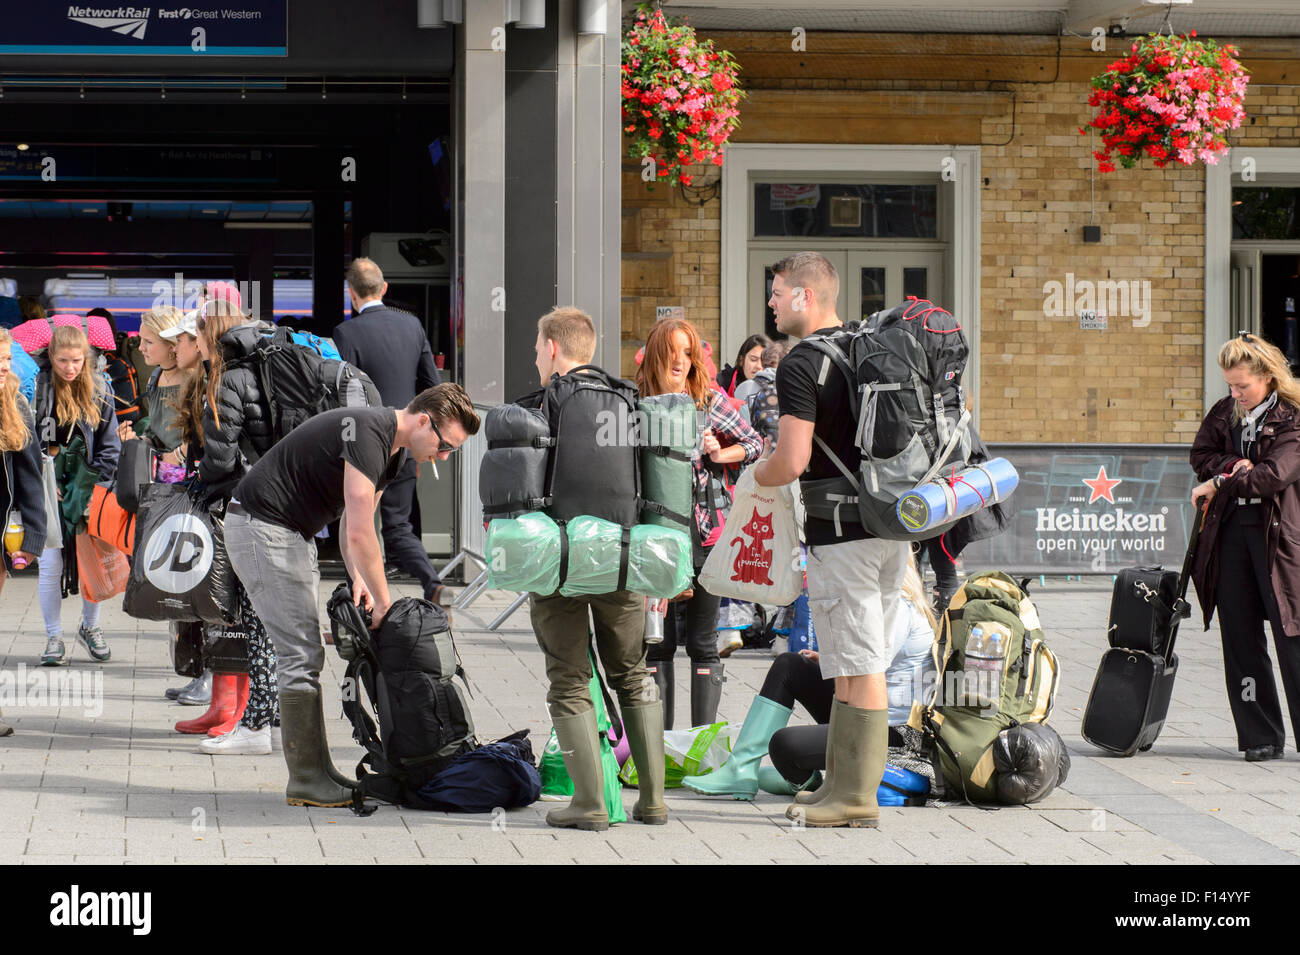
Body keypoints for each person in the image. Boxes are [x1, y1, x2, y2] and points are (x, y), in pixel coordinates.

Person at [224, 383, 477, 806]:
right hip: (262, 529)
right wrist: (383, 601)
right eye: (446, 444)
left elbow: (351, 526)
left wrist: (359, 577)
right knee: (300, 655)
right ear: (422, 420)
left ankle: (318, 772)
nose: (444, 456)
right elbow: (360, 531)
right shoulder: (369, 432)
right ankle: (305, 778)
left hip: (285, 533)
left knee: (305, 655)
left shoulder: (391, 452)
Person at [753, 251, 906, 829]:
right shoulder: (868, 350)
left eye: (777, 291)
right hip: (889, 527)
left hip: (841, 535)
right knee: (849, 663)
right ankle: (838, 786)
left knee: (860, 664)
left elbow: (791, 461)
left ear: (804, 296)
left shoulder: (800, 364)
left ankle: (858, 798)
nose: (771, 302)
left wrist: (756, 475)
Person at [525, 306, 667, 829]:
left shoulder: (543, 405)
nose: (535, 355)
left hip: (560, 557)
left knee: (568, 677)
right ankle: (652, 801)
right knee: (631, 673)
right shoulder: (628, 398)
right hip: (624, 553)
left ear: (555, 348)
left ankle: (588, 805)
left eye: (538, 345)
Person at [683, 557, 936, 797]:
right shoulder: (882, 601)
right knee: (790, 666)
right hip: (861, 709)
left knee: (783, 744)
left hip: (889, 731)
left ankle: (807, 783)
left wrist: (835, 658)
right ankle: (740, 769)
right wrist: (827, 657)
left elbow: (869, 665)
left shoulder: (898, 606)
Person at [638, 319, 763, 730]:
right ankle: (658, 747)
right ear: (658, 353)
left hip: (706, 537)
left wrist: (718, 454)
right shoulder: (636, 403)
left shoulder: (709, 401)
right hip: (654, 541)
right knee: (657, 644)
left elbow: (755, 444)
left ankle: (700, 744)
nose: (680, 360)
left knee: (703, 644)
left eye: (688, 352)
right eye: (673, 350)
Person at [1191, 332, 1300, 762]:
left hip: (1280, 540)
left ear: (1269, 378)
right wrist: (1232, 464)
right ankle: (1260, 735)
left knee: (1291, 636)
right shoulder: (1225, 412)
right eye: (1229, 385)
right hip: (1231, 533)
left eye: (1242, 386)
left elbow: (1272, 476)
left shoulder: (1293, 419)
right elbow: (1201, 453)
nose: (1235, 394)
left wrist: (1220, 481)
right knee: (1239, 634)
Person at [331, 258, 446, 606]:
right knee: (398, 525)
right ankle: (432, 582)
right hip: (408, 441)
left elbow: (345, 393)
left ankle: (362, 595)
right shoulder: (412, 327)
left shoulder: (346, 333)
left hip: (364, 444)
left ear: (351, 295)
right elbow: (433, 386)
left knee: (356, 523)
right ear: (384, 288)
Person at [32, 324, 121, 666]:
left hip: (90, 487)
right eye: (63, 361)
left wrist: (94, 490)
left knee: (90, 562)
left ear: (87, 359)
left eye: (77, 361)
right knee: (50, 564)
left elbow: (110, 447)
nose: (70, 368)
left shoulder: (99, 387)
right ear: (51, 357)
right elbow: (35, 441)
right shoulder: (40, 388)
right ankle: (54, 637)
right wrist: (45, 480)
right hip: (49, 486)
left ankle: (91, 628)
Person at [0, 328, 48, 735]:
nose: (3, 371)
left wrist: (32, 537)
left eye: (5, 364)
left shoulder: (15, 403)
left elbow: (30, 476)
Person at [716, 333, 770, 399]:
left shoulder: (777, 385)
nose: (759, 366)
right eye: (753, 359)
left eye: (764, 361)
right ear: (741, 360)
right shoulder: (722, 380)